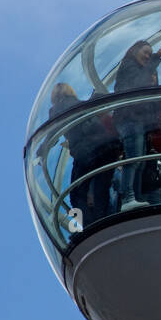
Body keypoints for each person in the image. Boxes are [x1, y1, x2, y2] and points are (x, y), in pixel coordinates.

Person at [49, 82, 122, 230]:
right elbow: (99, 100)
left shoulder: (56, 109)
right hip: (108, 148)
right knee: (101, 190)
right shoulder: (81, 104)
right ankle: (105, 221)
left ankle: (91, 226)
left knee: (76, 195)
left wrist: (43, 147)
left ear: (55, 96)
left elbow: (52, 133)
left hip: (86, 152)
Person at [113, 40, 161, 211]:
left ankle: (135, 198)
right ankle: (128, 198)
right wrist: (155, 58)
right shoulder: (129, 66)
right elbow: (138, 82)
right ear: (134, 51)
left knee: (140, 161)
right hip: (130, 119)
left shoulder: (140, 69)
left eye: (149, 53)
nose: (147, 56)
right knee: (134, 160)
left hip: (139, 121)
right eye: (145, 52)